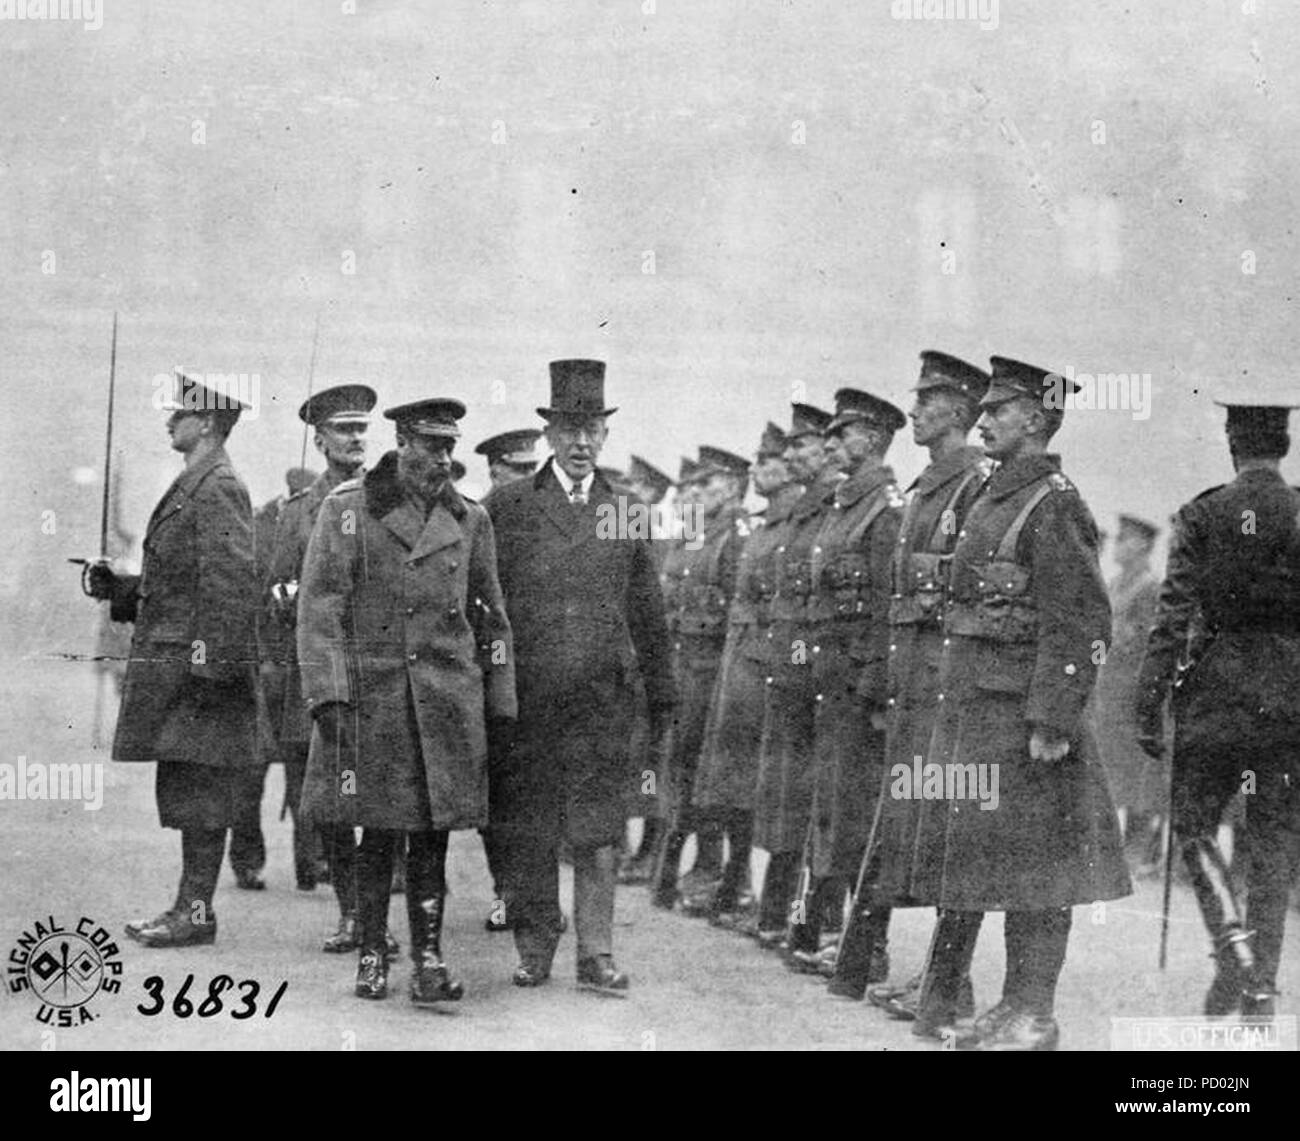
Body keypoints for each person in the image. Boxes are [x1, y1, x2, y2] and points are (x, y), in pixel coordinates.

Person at [914, 356, 1129, 1050]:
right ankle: (1000, 1008)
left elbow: (1083, 620)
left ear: (1034, 419)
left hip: (1025, 726)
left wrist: (1053, 720)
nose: (982, 420)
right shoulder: (992, 495)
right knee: (993, 864)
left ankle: (1033, 1013)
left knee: (1040, 873)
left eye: (997, 410)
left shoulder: (1053, 502)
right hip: (977, 714)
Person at [296, 397, 516, 1004]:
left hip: (446, 702)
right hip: (377, 701)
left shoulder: (470, 520)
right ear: (401, 443)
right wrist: (329, 697)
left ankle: (428, 958)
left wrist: (500, 701)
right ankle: (372, 953)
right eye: (430, 446)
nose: (442, 459)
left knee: (433, 838)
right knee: (379, 834)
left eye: (449, 447)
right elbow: (319, 611)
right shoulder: (349, 510)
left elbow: (493, 620)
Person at [487, 359, 674, 991]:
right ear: (549, 433)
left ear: (605, 435)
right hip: (530, 703)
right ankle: (536, 944)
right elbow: (484, 605)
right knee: (531, 827)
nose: (581, 443)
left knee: (597, 832)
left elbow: (647, 614)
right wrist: (492, 689)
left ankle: (596, 954)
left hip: (602, 702)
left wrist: (662, 696)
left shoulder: (624, 511)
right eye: (569, 429)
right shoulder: (510, 507)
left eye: (592, 430)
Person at [830, 351, 992, 1012]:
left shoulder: (974, 485)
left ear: (958, 410)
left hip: (948, 690)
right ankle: (935, 977)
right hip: (912, 687)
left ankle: (950, 984)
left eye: (927, 400)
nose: (915, 409)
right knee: (914, 829)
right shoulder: (929, 488)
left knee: (951, 830)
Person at [1136, 396, 1300, 1019]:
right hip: (1290, 702)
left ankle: (1232, 945)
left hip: (1216, 697)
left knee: (1195, 825)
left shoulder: (1202, 514)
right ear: (1283, 445)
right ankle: (1261, 990)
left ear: (1232, 443)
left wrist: (1149, 700)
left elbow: (1172, 617)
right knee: (1274, 842)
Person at [88, 372, 259, 948]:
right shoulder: (198, 481)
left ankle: (196, 914)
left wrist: (209, 671)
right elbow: (181, 583)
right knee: (190, 793)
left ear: (206, 423)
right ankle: (189, 908)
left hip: (201, 677)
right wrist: (121, 587)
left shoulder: (219, 486)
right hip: (188, 672)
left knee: (204, 796)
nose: (169, 421)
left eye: (179, 413)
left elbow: (230, 586)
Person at [785, 389, 906, 976]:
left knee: (859, 815)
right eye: (828, 434)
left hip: (861, 689)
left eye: (843, 433)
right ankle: (825, 927)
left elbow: (887, 610)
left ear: (875, 439)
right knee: (832, 810)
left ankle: (865, 945)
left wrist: (878, 692)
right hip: (830, 683)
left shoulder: (886, 509)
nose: (830, 443)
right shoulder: (843, 506)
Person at [259, 386, 378, 955]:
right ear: (320, 440)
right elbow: (275, 585)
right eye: (343, 430)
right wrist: (285, 596)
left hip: (377, 671)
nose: (355, 439)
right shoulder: (299, 510)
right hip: (319, 673)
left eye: (361, 429)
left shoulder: (385, 498)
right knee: (328, 802)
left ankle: (374, 915)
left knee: (380, 801)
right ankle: (352, 911)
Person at [693, 423, 802, 927]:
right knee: (732, 783)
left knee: (756, 786)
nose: (758, 468)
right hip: (740, 666)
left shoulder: (787, 524)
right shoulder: (764, 526)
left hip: (764, 669)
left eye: (767, 460)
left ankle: (752, 892)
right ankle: (735, 884)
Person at [749, 402, 840, 948]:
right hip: (790, 665)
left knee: (818, 803)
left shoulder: (834, 506)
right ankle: (783, 912)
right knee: (790, 797)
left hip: (816, 670)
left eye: (801, 445)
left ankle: (819, 921)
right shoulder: (806, 508)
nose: (792, 456)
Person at [652, 446, 752, 914]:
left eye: (707, 483)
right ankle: (692, 867)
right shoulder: (697, 533)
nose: (697, 492)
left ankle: (723, 873)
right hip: (686, 665)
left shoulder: (736, 535)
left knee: (711, 774)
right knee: (684, 767)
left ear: (731, 487)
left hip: (715, 673)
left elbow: (739, 610)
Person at [617, 453, 677, 885]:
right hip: (627, 660)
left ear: (653, 493)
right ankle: (622, 845)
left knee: (652, 761)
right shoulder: (627, 528)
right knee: (627, 756)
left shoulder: (655, 537)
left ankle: (649, 848)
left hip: (647, 664)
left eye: (637, 485)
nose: (628, 491)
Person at [1094, 513, 1165, 876]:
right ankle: (1119, 846)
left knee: (1137, 772)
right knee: (1114, 769)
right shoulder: (1115, 582)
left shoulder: (1150, 588)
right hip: (1111, 690)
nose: (1118, 545)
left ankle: (1138, 849)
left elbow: (1141, 641)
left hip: (1134, 692)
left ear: (1143, 545)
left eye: (1126, 539)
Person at [475, 428, 542, 503]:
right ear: (495, 476)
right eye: (521, 469)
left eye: (533, 468)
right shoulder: (483, 509)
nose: (531, 476)